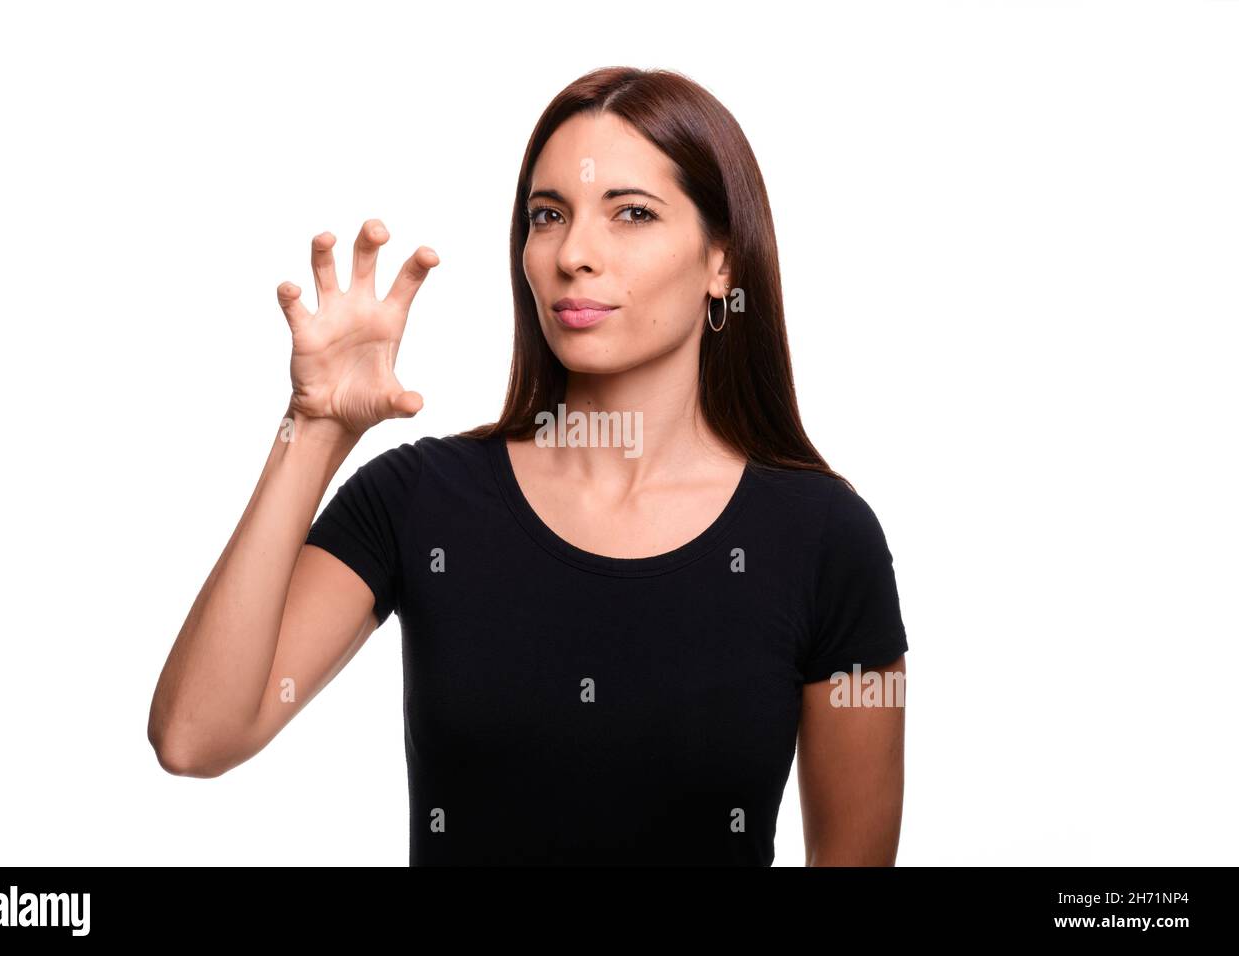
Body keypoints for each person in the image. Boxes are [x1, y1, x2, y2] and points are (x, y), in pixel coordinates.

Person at [148, 66, 909, 866]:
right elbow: (196, 736)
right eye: (548, 216)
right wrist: (315, 429)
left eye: (633, 214)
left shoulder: (824, 540)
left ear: (723, 261)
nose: (574, 253)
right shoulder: (421, 502)